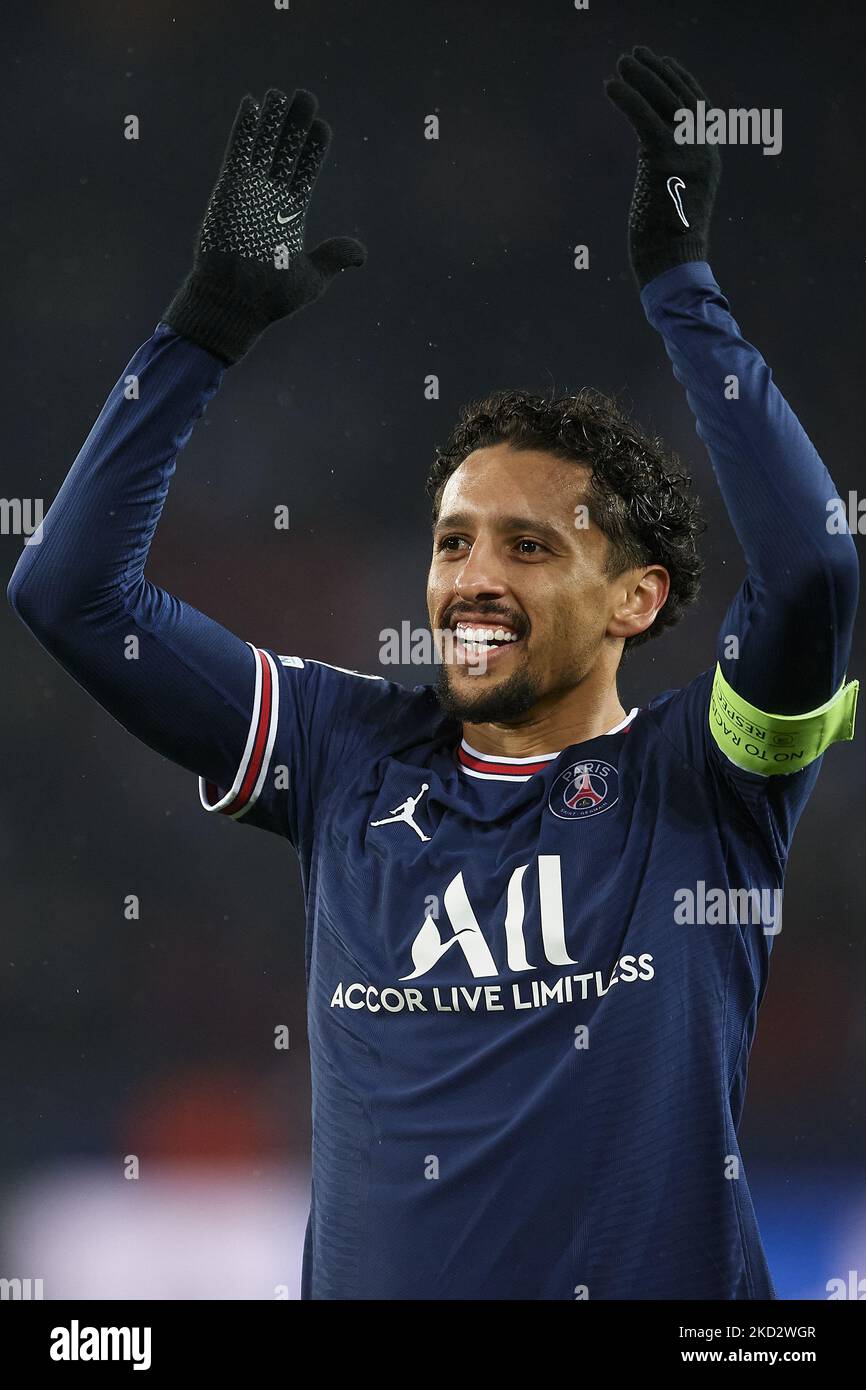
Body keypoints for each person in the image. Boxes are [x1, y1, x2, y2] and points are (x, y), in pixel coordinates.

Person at [8, 48, 858, 1299]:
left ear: (638, 596)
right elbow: (68, 594)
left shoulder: (706, 778)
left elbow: (814, 575)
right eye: (452, 540)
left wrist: (682, 289)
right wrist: (201, 330)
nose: (469, 577)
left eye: (527, 545)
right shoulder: (345, 750)